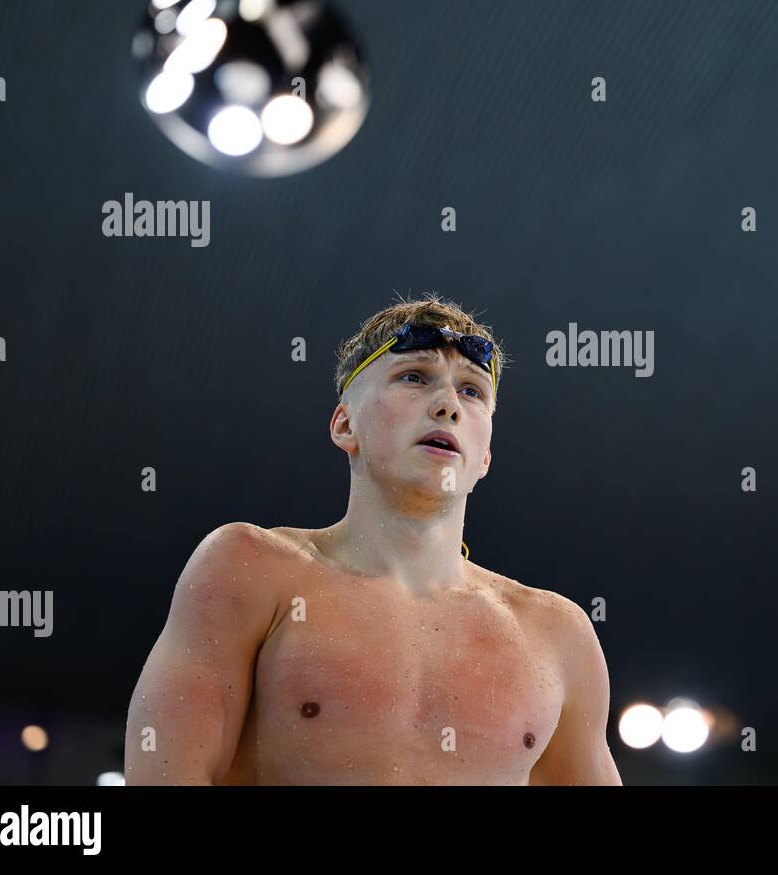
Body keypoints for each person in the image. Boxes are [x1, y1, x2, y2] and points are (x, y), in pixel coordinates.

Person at [125, 293, 622, 785]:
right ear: (345, 424)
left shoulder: (558, 634)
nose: (448, 404)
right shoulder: (249, 567)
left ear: (485, 455)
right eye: (414, 377)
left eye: (472, 391)